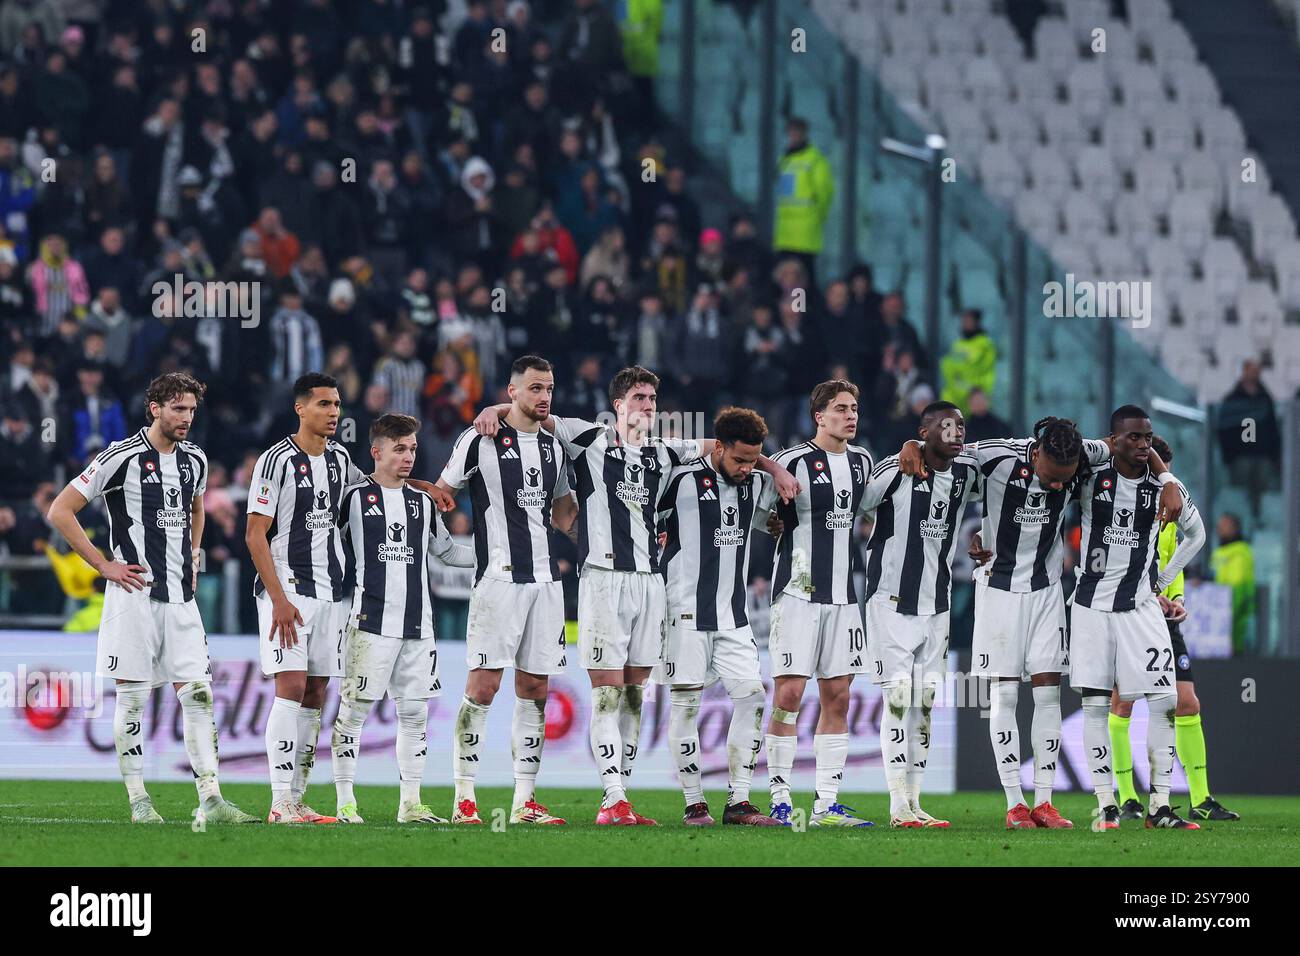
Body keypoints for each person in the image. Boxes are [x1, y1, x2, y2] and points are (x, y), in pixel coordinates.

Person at [472, 366, 798, 825]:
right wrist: (494, 409)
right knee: (606, 694)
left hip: (650, 583)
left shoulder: (665, 452)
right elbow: (532, 410)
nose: (648, 406)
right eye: (639, 398)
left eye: (652, 399)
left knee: (633, 696)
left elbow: (721, 447)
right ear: (619, 405)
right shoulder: (585, 437)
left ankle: (624, 794)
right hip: (603, 579)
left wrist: (773, 466)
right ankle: (612, 797)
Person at [900, 416, 1184, 829]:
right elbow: (945, 456)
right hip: (997, 591)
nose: (1057, 486)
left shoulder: (1085, 453)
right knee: (1005, 698)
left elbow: (1131, 444)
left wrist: (1169, 479)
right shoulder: (994, 456)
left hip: (1048, 589)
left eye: (1064, 482)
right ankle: (1015, 802)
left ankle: (1045, 802)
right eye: (1051, 477)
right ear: (1037, 452)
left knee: (1049, 696)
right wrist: (913, 443)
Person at [45, 372, 256, 825]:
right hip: (134, 597)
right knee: (134, 699)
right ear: (155, 408)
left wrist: (195, 554)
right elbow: (60, 510)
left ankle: (212, 799)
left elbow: (197, 506)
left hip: (181, 599)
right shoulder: (120, 457)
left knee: (198, 694)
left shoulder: (194, 460)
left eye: (192, 410)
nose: (186, 419)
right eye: (178, 409)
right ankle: (140, 800)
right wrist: (103, 565)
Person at [431, 355, 578, 826]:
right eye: (535, 388)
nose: (544, 397)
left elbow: (563, 515)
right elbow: (440, 493)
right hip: (498, 580)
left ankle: (525, 800)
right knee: (484, 685)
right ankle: (464, 798)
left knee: (535, 687)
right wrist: (449, 552)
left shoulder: (555, 447)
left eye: (549, 389)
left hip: (545, 584)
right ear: (512, 392)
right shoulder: (480, 437)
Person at [330, 414, 475, 824]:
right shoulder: (355, 497)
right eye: (399, 448)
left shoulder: (424, 502)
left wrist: (496, 553)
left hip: (417, 626)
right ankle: (345, 803)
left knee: (415, 715)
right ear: (376, 452)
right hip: (369, 622)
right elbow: (328, 544)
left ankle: (410, 803)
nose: (408, 456)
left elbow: (447, 552)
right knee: (352, 713)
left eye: (412, 448)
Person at [245, 373, 375, 825]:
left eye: (337, 404)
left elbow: (377, 487)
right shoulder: (275, 460)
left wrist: (428, 487)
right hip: (289, 593)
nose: (334, 412)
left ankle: (298, 799)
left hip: (330, 594)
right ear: (300, 409)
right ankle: (280, 801)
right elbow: (254, 533)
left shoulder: (340, 459)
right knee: (292, 685)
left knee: (317, 691)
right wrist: (279, 599)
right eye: (323, 404)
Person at [1070, 408, 1206, 830]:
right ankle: (1106, 803)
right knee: (1095, 707)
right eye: (1133, 437)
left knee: (1165, 702)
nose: (1143, 443)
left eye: (1148, 437)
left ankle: (1160, 806)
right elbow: (1062, 457)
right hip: (1091, 606)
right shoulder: (1092, 474)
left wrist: (1160, 582)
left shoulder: (1164, 486)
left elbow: (1196, 535)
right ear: (1114, 438)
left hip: (1140, 609)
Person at [756, 379, 877, 827]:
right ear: (819, 416)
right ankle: (781, 797)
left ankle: (826, 803)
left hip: (845, 597)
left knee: (839, 697)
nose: (851, 416)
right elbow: (757, 506)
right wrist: (771, 521)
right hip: (797, 593)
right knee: (788, 695)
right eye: (841, 409)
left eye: (855, 408)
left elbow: (873, 507)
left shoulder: (863, 461)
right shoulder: (791, 462)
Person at [655, 406, 781, 827]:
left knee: (752, 697)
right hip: (685, 612)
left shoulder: (758, 483)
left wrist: (773, 474)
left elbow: (769, 521)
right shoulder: (679, 480)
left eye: (753, 460)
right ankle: (694, 803)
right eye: (739, 459)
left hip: (733, 615)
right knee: (686, 704)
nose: (746, 468)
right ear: (719, 447)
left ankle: (739, 801)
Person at [861, 401, 982, 827]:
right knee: (896, 700)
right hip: (891, 604)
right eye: (946, 426)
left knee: (925, 704)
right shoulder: (896, 469)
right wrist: (903, 449)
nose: (956, 433)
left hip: (938, 606)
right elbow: (854, 503)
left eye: (961, 427)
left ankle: (915, 801)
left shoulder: (967, 473)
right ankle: (896, 805)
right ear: (924, 430)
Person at [1109, 435, 1240, 824]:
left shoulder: (1171, 502)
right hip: (1127, 613)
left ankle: (1200, 796)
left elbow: (1178, 554)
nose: (1161, 477)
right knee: (1123, 702)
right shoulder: (1120, 503)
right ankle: (1128, 797)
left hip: (1165, 617)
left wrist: (1176, 596)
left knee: (1187, 703)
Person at [772, 118, 832, 287]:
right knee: (783, 280)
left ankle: (799, 311)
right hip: (785, 233)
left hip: (804, 235)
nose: (794, 136)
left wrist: (815, 218)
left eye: (797, 132)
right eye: (791, 132)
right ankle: (788, 311)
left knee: (801, 282)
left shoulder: (814, 159)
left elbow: (825, 193)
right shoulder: (785, 159)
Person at [1210, 512, 1255, 654]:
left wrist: (1226, 614)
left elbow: (1238, 586)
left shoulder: (1241, 551)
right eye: (1219, 526)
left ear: (1235, 528)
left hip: (1235, 616)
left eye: (1225, 526)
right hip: (1218, 615)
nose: (1220, 529)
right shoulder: (1218, 552)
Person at [939, 309, 996, 415]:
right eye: (963, 321)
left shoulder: (984, 344)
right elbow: (946, 367)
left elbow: (972, 368)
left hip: (976, 399)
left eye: (968, 321)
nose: (965, 324)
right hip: (956, 400)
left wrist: (956, 366)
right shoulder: (958, 344)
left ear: (976, 323)